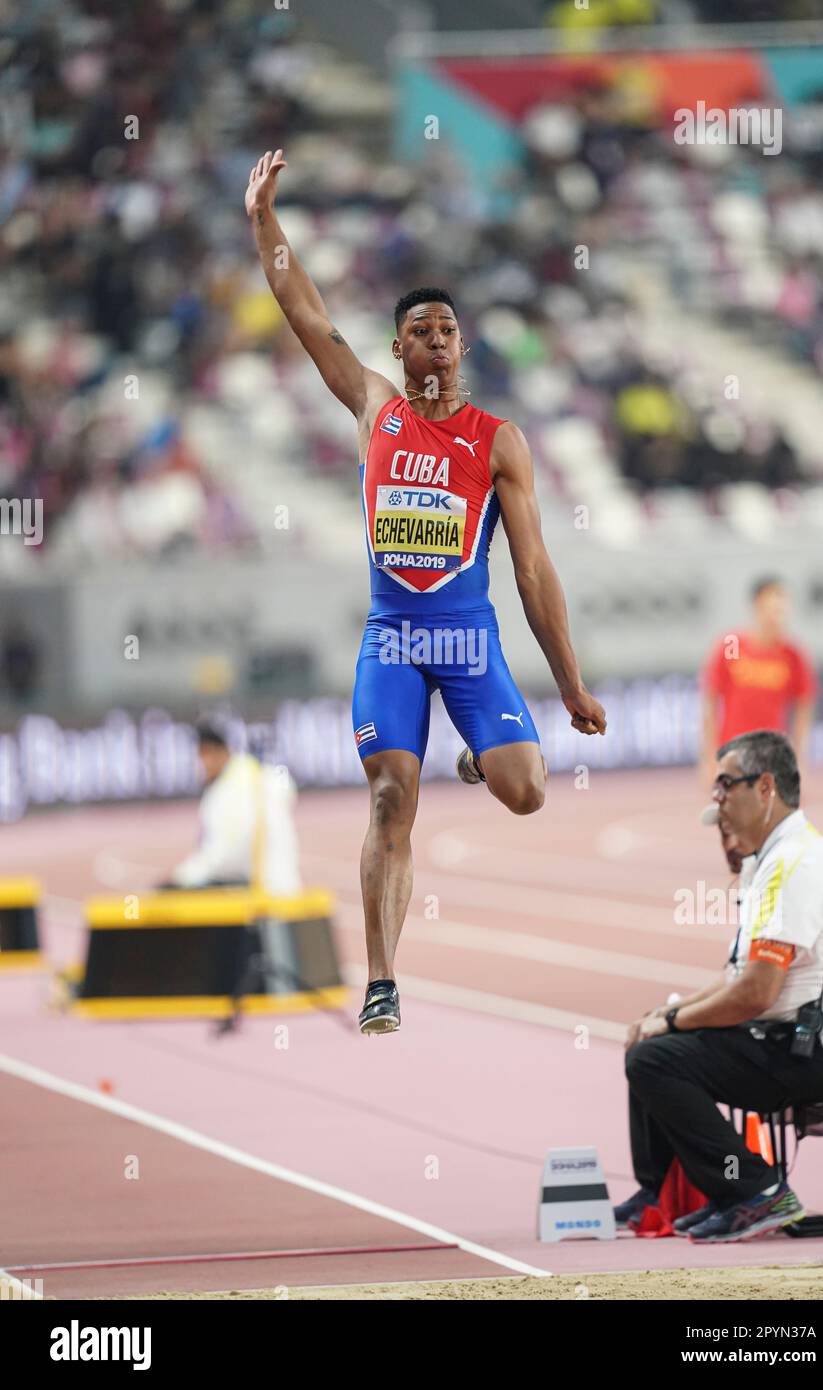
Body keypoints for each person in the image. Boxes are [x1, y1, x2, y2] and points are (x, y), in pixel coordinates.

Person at [246, 149, 606, 1034]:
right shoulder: (374, 409)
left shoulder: (499, 443)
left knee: (525, 790)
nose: (438, 341)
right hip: (395, 643)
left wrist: (568, 683)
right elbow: (302, 310)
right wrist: (263, 220)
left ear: (463, 345)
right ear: (398, 349)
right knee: (385, 798)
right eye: (422, 331)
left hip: (469, 639)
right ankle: (382, 980)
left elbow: (530, 571)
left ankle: (481, 754)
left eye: (450, 330)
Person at [616, 731, 823, 1243]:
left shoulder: (794, 863)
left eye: (726, 787)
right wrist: (665, 1014)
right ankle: (661, 1189)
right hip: (802, 1042)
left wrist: (671, 1021)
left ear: (766, 787)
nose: (718, 805)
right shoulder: (776, 860)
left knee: (656, 1057)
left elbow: (755, 994)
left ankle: (754, 1191)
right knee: (654, 1038)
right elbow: (739, 979)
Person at [699, 577, 817, 787]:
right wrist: (709, 758)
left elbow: (804, 708)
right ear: (756, 608)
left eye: (782, 610)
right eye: (770, 609)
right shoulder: (733, 645)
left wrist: (799, 758)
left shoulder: (791, 654)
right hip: (733, 754)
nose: (776, 617)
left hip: (771, 756)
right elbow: (710, 701)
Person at [167, 724, 302, 896]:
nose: (200, 766)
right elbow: (288, 788)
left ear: (218, 753)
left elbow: (222, 856)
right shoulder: (254, 773)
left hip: (264, 899)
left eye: (202, 757)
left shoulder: (228, 791)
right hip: (285, 885)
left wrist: (182, 878)